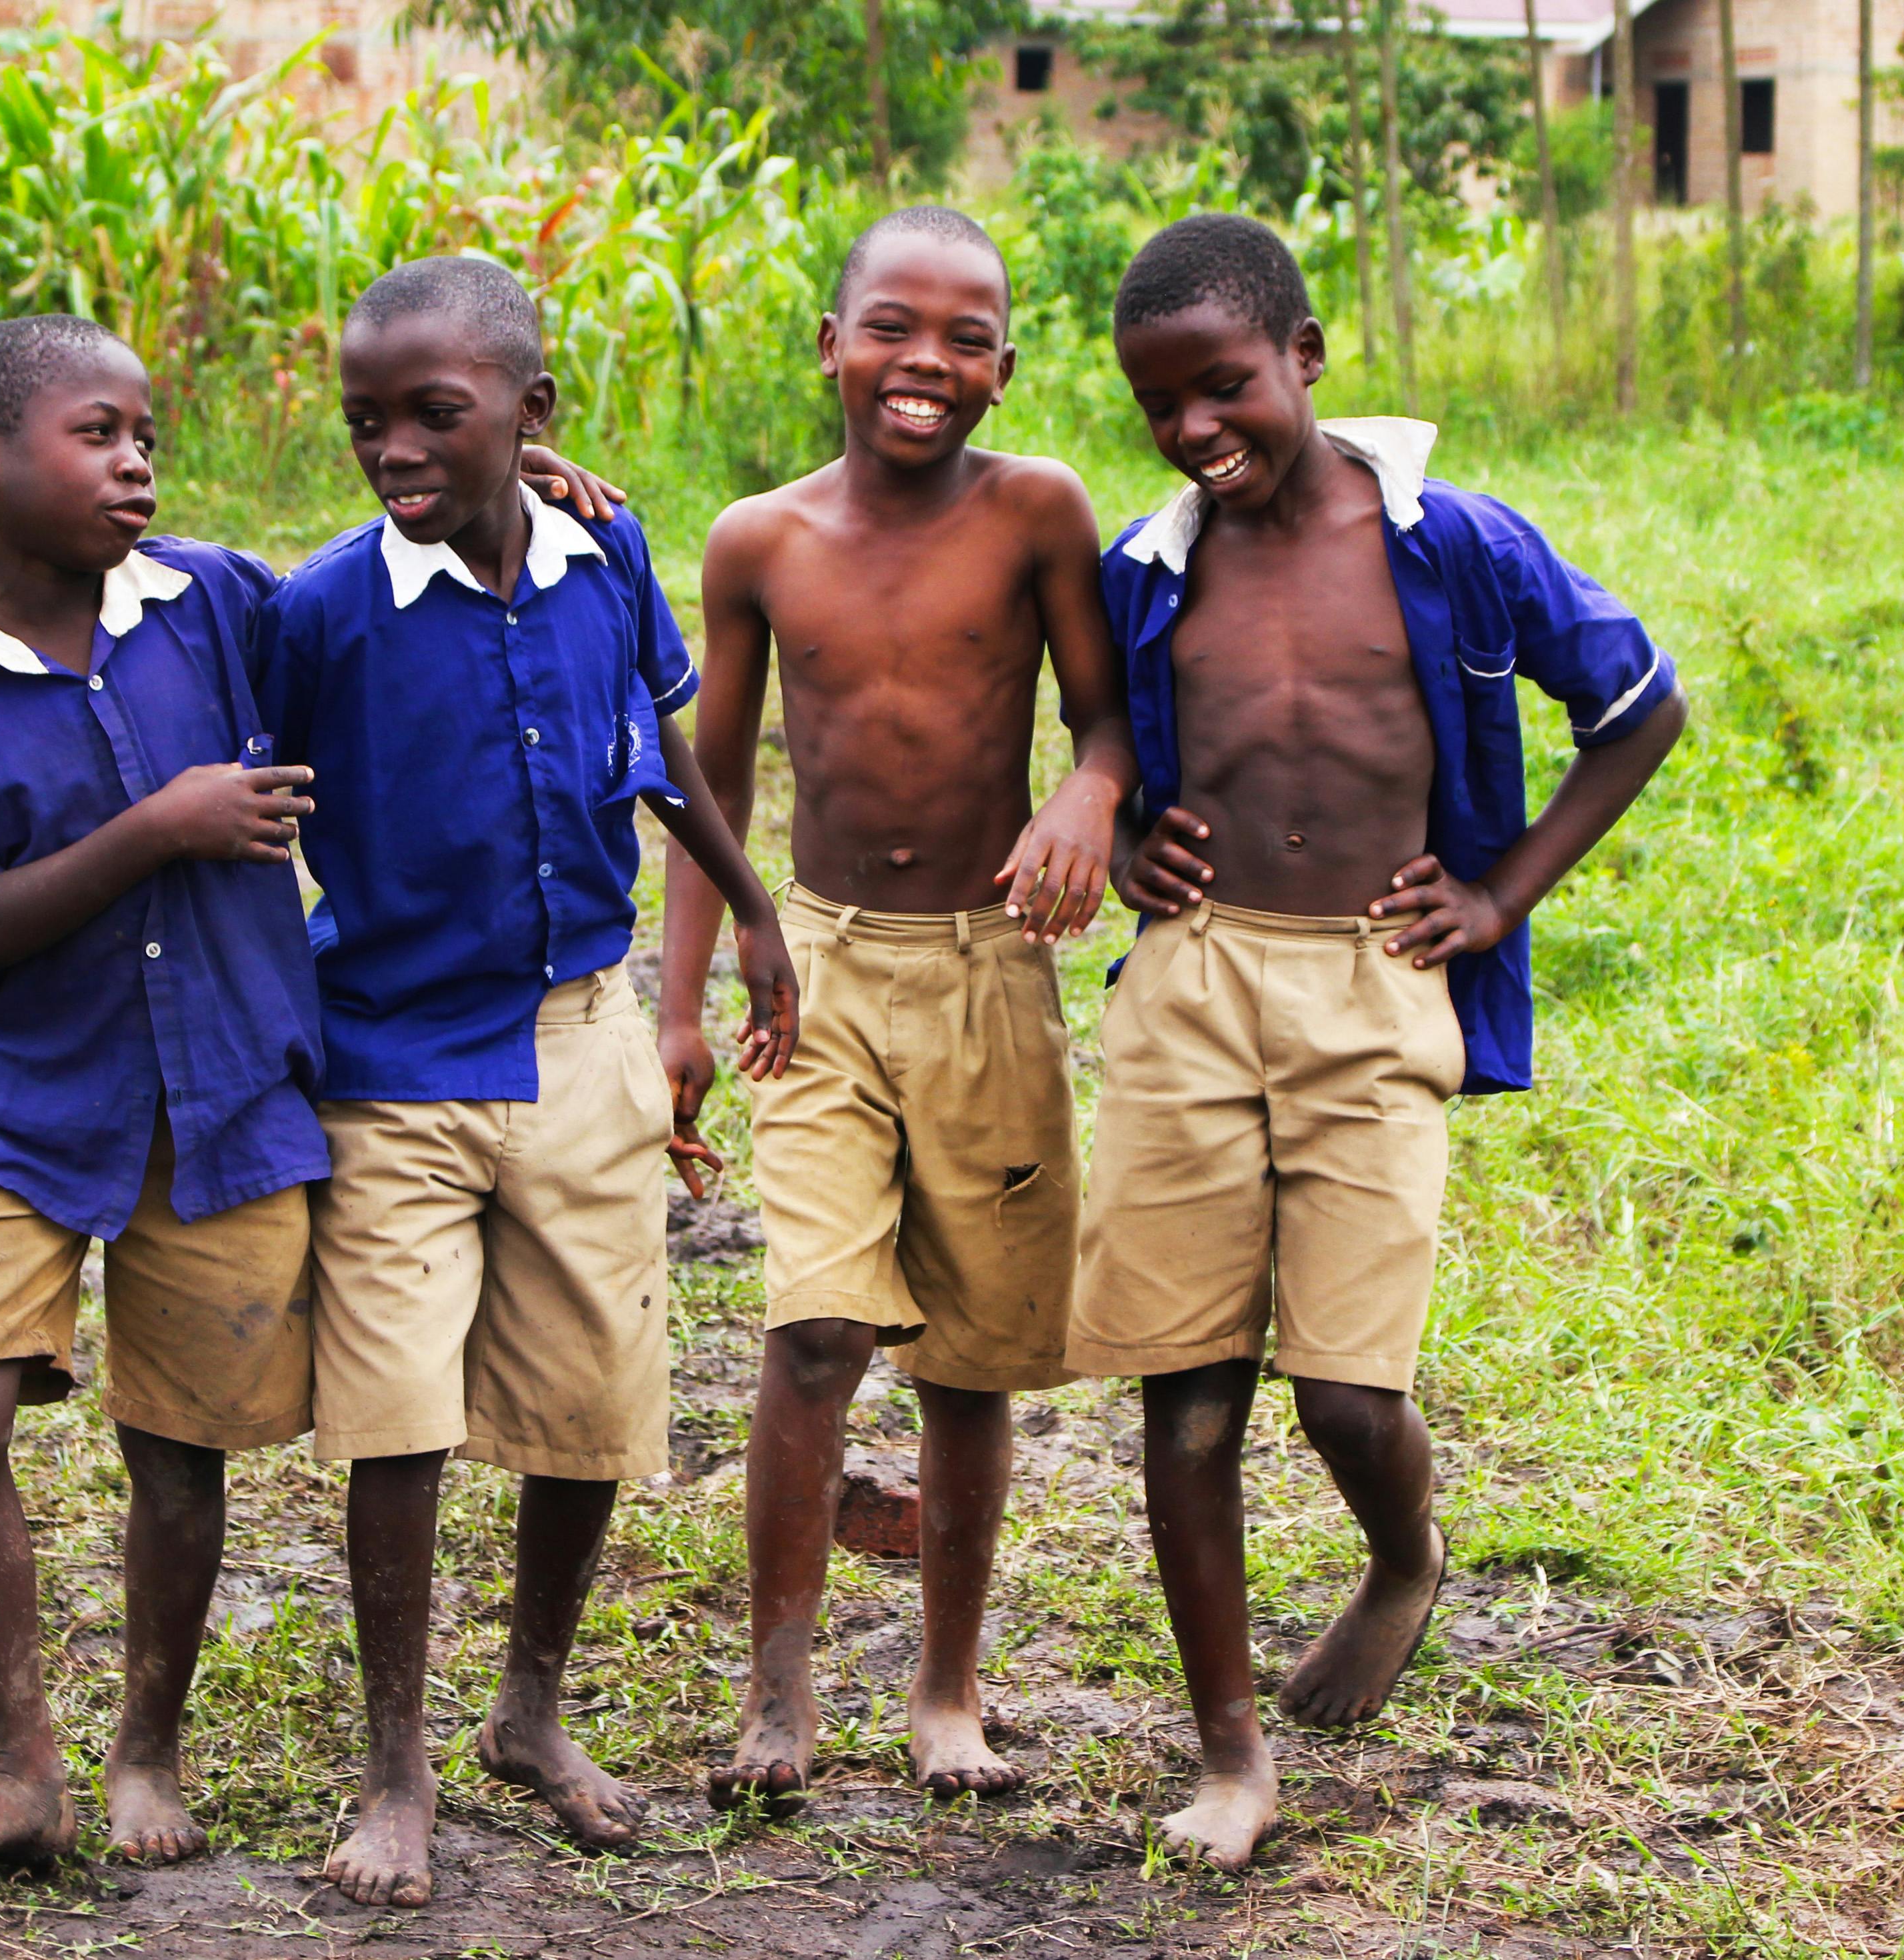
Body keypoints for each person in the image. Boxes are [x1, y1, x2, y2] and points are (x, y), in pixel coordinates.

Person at [1075, 214, 1685, 1873]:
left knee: (1348, 1395)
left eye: (1224, 388)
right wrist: (1121, 834)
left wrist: (1498, 898)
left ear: (1307, 358)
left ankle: (1403, 1556)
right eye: (1161, 406)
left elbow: (1638, 707)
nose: (1198, 430)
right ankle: (1229, 1755)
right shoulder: (1150, 563)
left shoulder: (1457, 546)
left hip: (1372, 992)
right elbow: (1103, 726)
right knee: (1188, 1394)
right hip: (1192, 989)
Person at [250, 256, 799, 1898]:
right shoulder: (321, 612)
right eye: (367, 423)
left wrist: (757, 913)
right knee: (399, 1416)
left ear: (533, 416)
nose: (396, 450)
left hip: (583, 1038)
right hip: (393, 1066)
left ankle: (530, 1712)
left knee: (587, 1401)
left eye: (438, 417)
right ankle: (396, 1771)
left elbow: (663, 748)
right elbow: (248, 796)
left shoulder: (608, 552)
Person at [657, 205, 1137, 1815]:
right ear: (830, 344)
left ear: (1005, 366)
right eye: (892, 328)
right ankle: (778, 1697)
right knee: (813, 1331)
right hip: (819, 968)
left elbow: (1109, 721)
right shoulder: (759, 541)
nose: (926, 363)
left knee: (969, 1365)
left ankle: (946, 1688)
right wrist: (687, 1000)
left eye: (968, 338)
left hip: (991, 966)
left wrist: (1087, 795)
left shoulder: (1040, 518)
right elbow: (708, 787)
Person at [0, 314, 327, 1871]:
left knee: (179, 1442)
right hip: (25, 1099)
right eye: (99, 433)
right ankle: (22, 1771)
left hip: (227, 1085)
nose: (138, 461)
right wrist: (164, 823)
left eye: (148, 435)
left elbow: (380, 623)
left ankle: (147, 1750)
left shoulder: (215, 601)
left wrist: (497, 485)